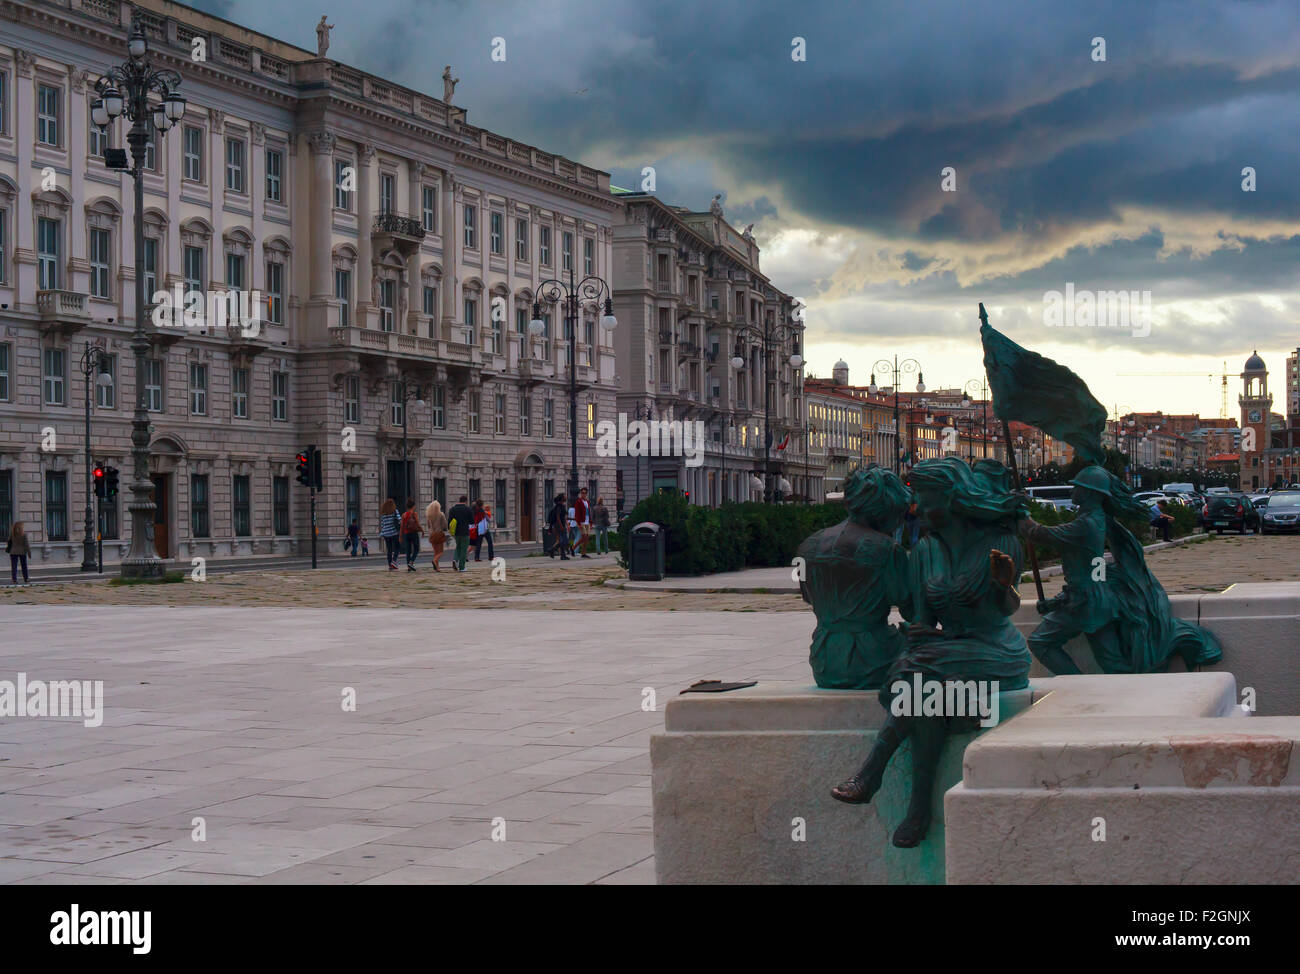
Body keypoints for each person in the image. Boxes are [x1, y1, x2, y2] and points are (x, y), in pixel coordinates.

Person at [832, 458, 1029, 848]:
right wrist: (916, 631)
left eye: (925, 497)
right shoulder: (924, 550)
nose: (917, 507)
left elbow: (1005, 611)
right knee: (923, 688)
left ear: (953, 498)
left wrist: (1005, 586)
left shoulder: (1002, 543)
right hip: (945, 651)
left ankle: (873, 774)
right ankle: (917, 808)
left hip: (994, 647)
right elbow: (924, 621)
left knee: (917, 680)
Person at [447, 495, 474, 571]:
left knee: (458, 546)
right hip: (465, 532)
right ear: (466, 501)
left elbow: (449, 522)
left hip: (456, 532)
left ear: (459, 500)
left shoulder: (452, 509)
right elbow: (472, 521)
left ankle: (455, 560)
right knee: (464, 549)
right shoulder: (468, 509)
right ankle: (462, 567)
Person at [425, 499, 448, 571]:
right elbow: (444, 525)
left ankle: (437, 567)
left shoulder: (429, 515)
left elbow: (428, 526)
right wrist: (445, 529)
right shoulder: (441, 514)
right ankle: (434, 560)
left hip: (432, 534)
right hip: (439, 534)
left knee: (436, 552)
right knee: (440, 552)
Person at [400, 498, 423, 571]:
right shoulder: (414, 514)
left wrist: (400, 536)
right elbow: (418, 524)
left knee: (408, 550)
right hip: (414, 533)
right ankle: (411, 562)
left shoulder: (404, 515)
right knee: (416, 549)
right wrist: (422, 530)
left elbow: (402, 527)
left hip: (406, 534)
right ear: (413, 506)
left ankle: (408, 566)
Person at [379, 498, 401, 570]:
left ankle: (390, 565)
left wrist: (382, 532)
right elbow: (399, 520)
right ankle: (394, 562)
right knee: (397, 548)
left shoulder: (383, 513)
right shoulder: (395, 511)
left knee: (389, 550)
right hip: (394, 532)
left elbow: (382, 524)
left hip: (386, 533)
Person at [7, 521, 31, 586]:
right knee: (24, 566)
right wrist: (29, 553)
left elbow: (8, 541)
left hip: (13, 551)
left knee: (14, 566)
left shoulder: (12, 534)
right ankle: (26, 578)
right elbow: (26, 545)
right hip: (22, 552)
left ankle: (14, 579)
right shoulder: (24, 535)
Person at [548, 493, 570, 560]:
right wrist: (561, 526)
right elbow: (558, 516)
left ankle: (562, 555)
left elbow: (563, 516)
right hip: (559, 525)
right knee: (564, 541)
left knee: (563, 540)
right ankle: (552, 549)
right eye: (565, 497)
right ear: (562, 498)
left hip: (560, 524)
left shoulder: (561, 506)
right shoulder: (559, 506)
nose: (566, 497)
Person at [575, 488, 592, 558]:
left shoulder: (587, 502)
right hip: (582, 521)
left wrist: (591, 522)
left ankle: (583, 553)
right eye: (582, 493)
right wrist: (578, 523)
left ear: (586, 494)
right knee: (584, 537)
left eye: (584, 493)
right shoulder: (578, 501)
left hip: (587, 521)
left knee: (586, 538)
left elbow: (589, 512)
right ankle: (573, 548)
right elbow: (577, 513)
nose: (583, 494)